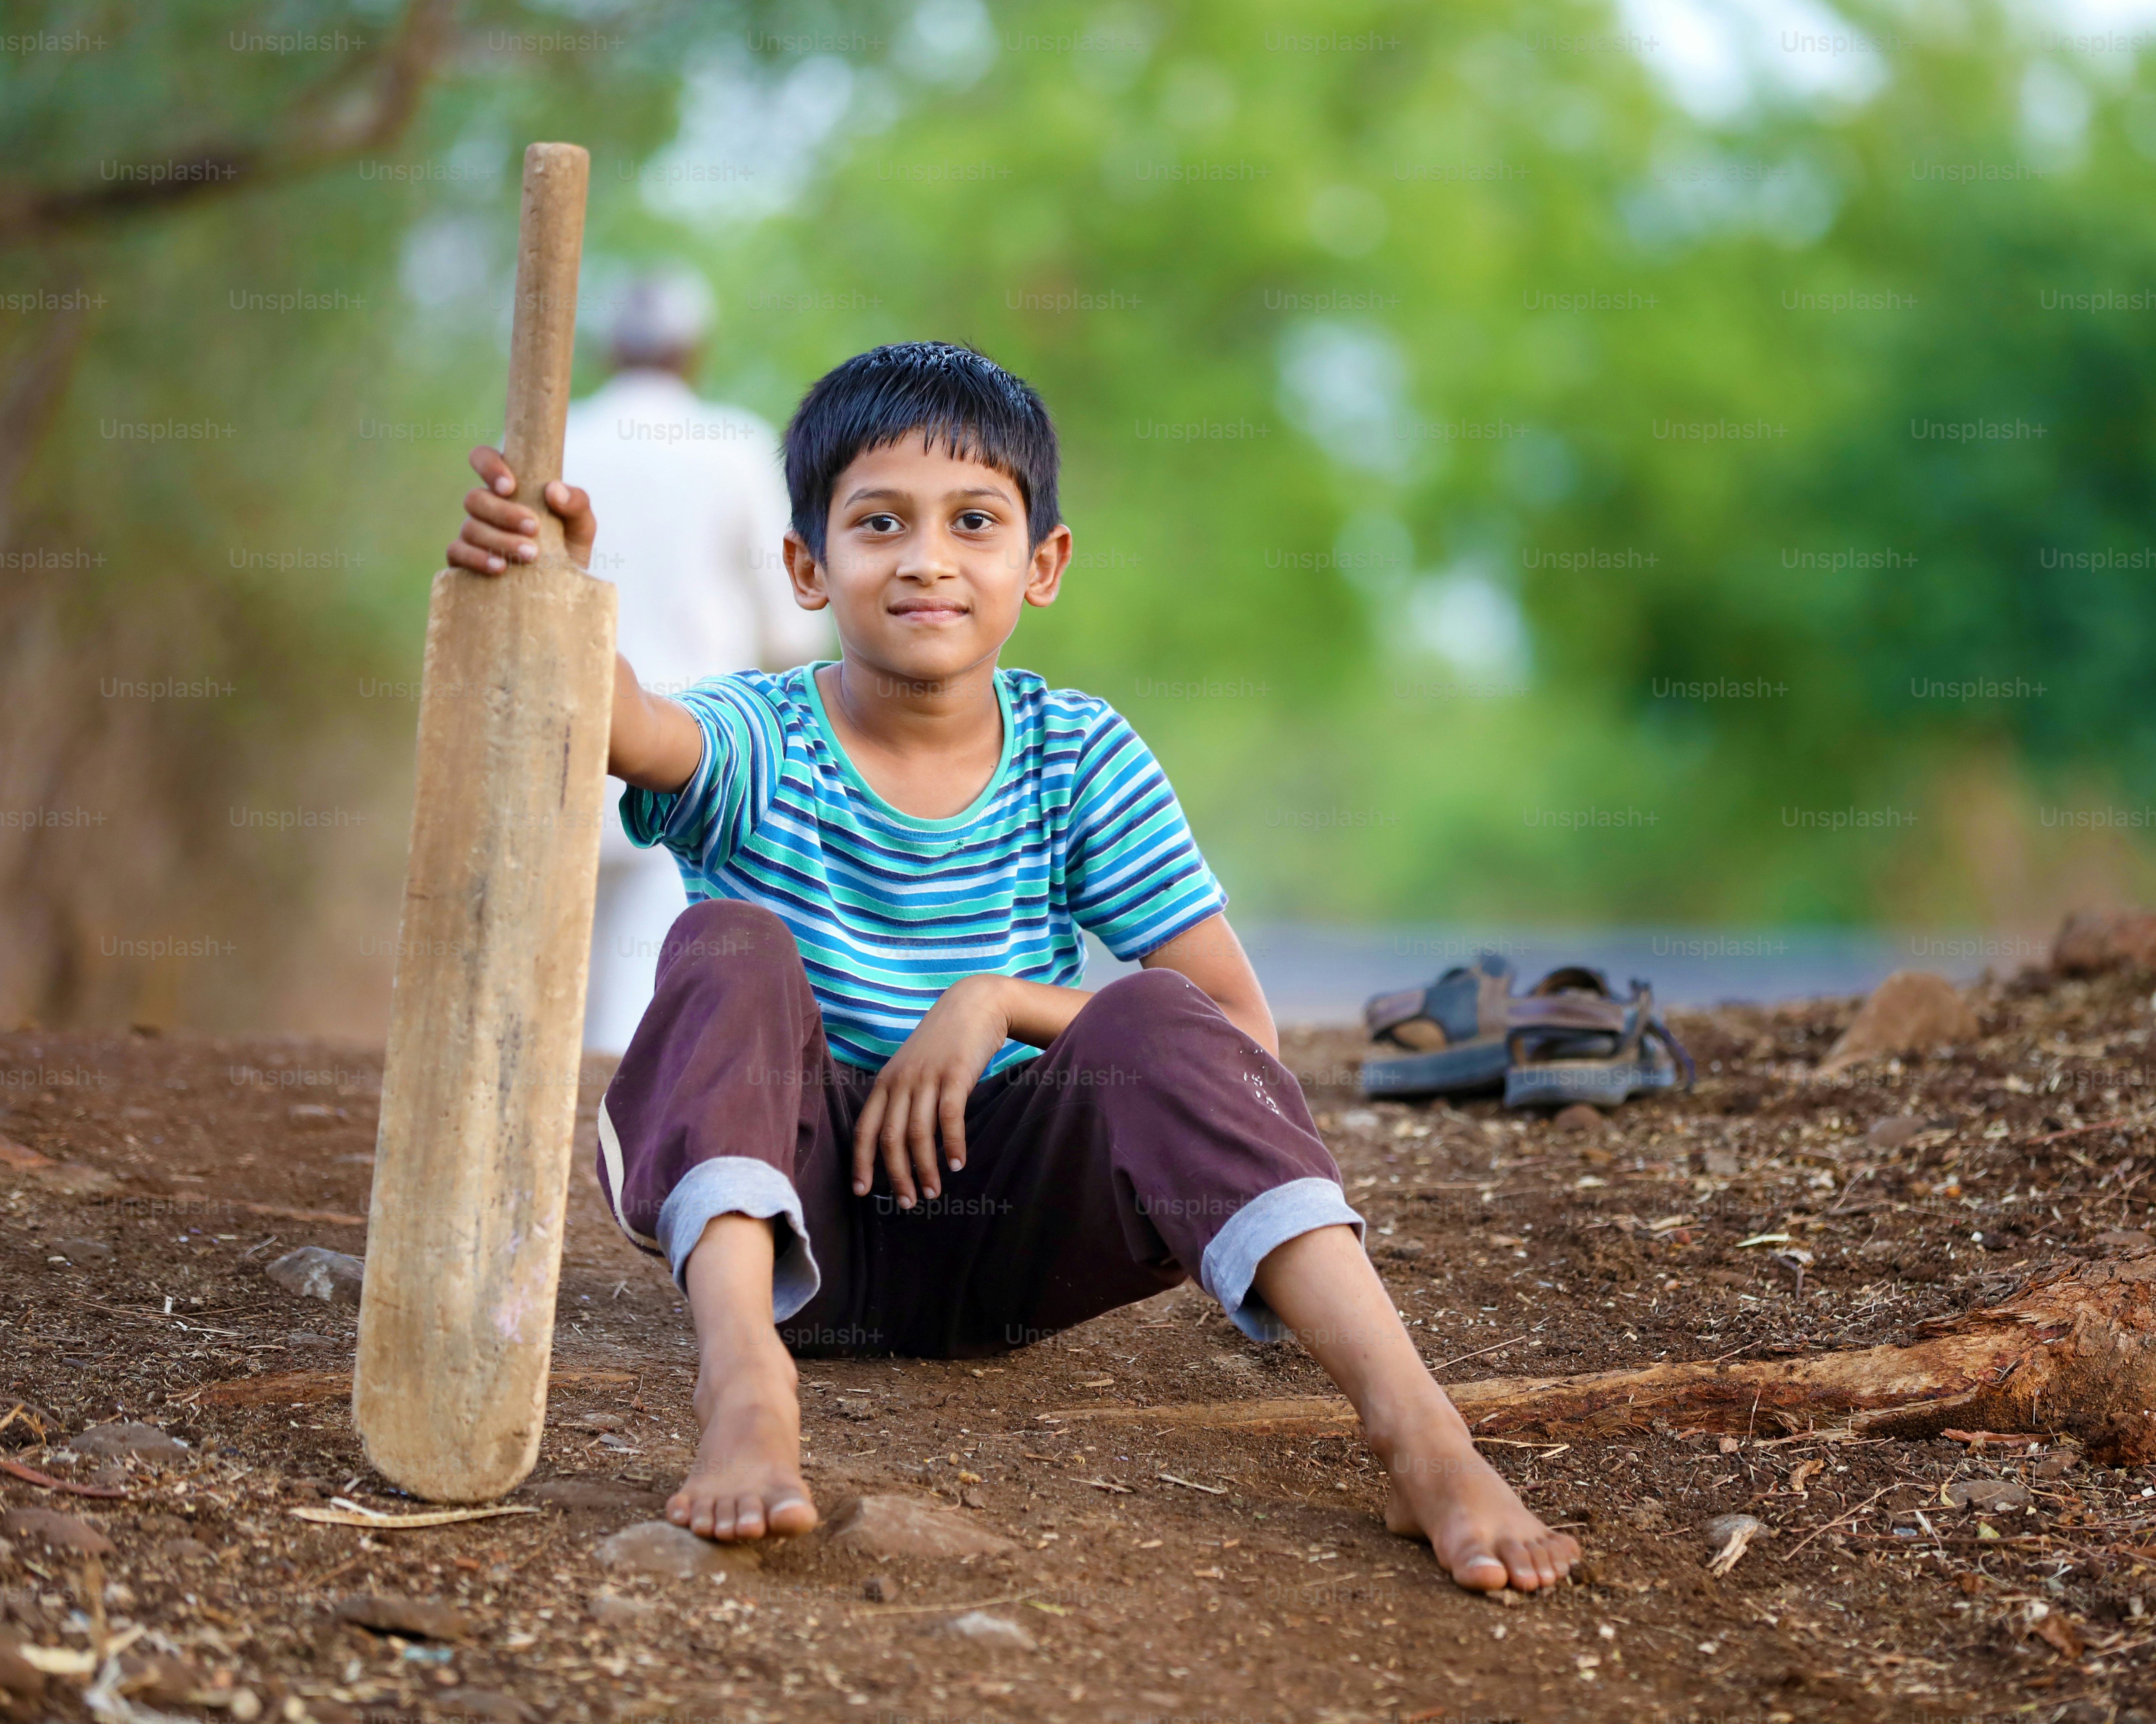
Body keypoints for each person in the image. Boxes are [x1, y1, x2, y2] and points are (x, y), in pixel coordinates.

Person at [447, 341, 1580, 1594]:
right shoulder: (760, 738)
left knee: (1157, 1011)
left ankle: (1419, 1431)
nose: (927, 558)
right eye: (880, 523)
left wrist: (999, 1004)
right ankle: (746, 1389)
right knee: (726, 943)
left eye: (973, 522)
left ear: (1040, 565)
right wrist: (555, 589)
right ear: (807, 567)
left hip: (1014, 1243)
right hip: (791, 1246)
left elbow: (1242, 1043)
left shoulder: (1078, 757)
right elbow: (628, 725)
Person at [567, 270, 832, 1052]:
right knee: (639, 987)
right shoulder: (735, 447)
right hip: (694, 745)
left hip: (565, 729)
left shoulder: (558, 439)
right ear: (694, 350)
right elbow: (794, 631)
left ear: (612, 346)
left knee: (561, 971)